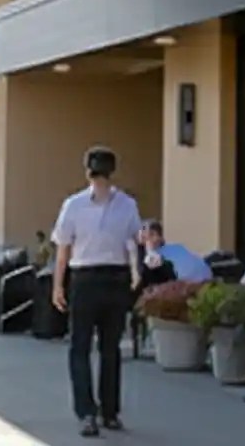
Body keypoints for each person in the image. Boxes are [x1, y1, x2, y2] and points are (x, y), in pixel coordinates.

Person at [51, 146, 143, 438]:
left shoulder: (126, 205)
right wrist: (58, 283)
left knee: (107, 348)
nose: (98, 179)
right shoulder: (75, 205)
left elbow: (132, 242)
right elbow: (63, 248)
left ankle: (106, 411)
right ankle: (91, 412)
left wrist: (134, 272)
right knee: (85, 346)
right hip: (87, 277)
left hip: (109, 277)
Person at [138, 219, 212, 283]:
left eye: (150, 235)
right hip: (205, 280)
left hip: (185, 285)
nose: (146, 238)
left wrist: (148, 247)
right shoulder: (177, 246)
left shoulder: (156, 255)